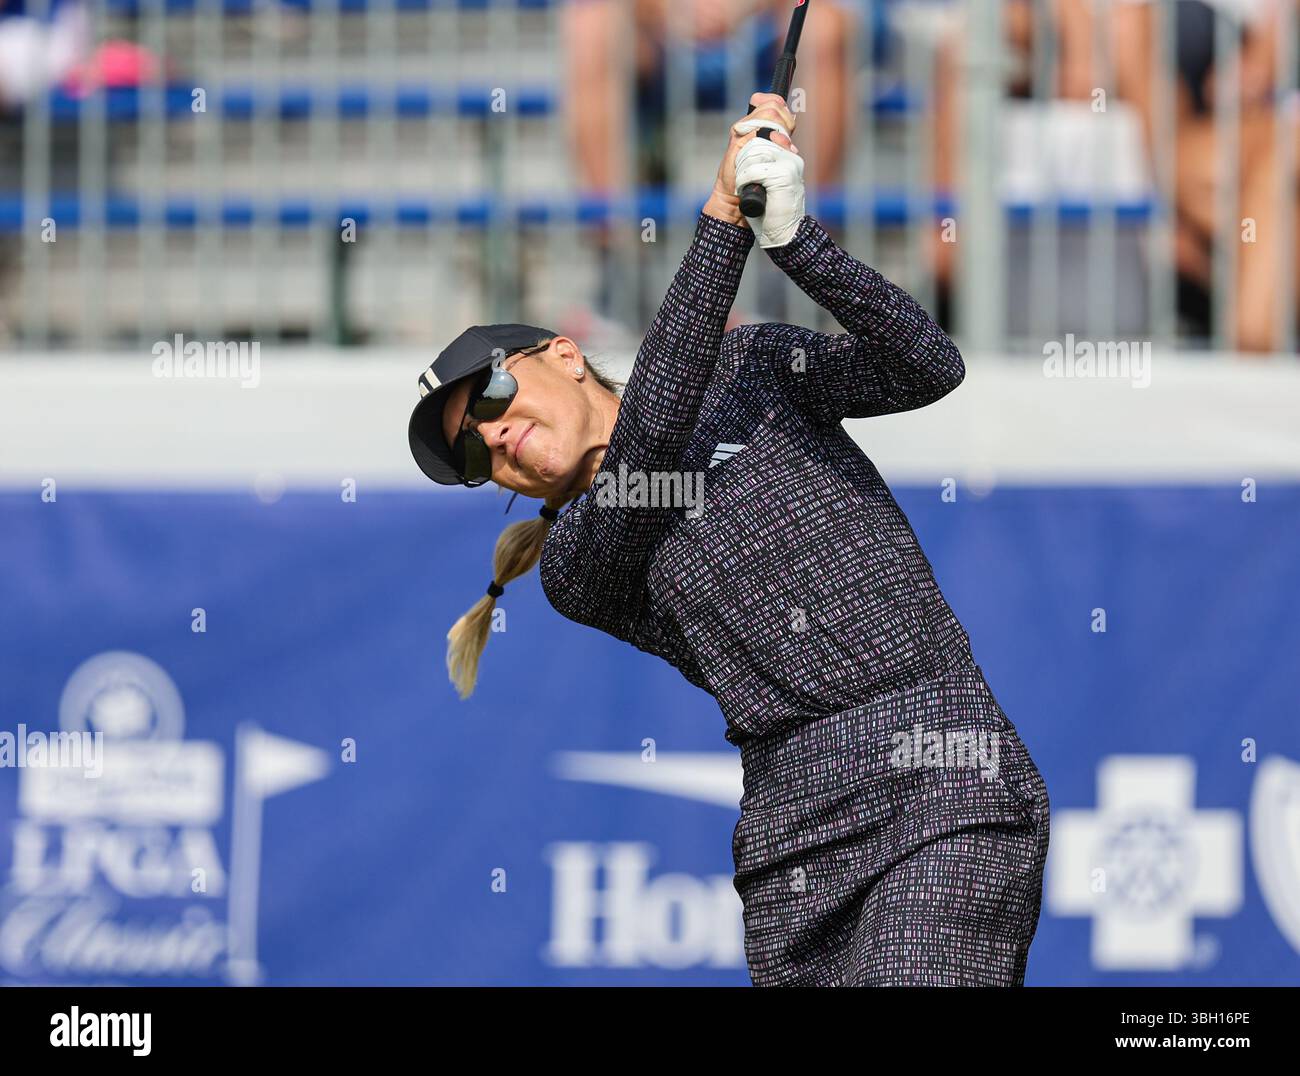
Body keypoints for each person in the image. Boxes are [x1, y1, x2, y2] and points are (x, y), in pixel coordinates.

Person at [408, 92, 1050, 986]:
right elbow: (654, 434)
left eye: (488, 399)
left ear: (560, 353)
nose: (491, 435)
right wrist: (721, 220)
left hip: (940, 777)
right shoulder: (581, 560)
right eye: (472, 454)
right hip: (794, 850)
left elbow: (926, 364)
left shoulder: (751, 366)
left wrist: (794, 239)